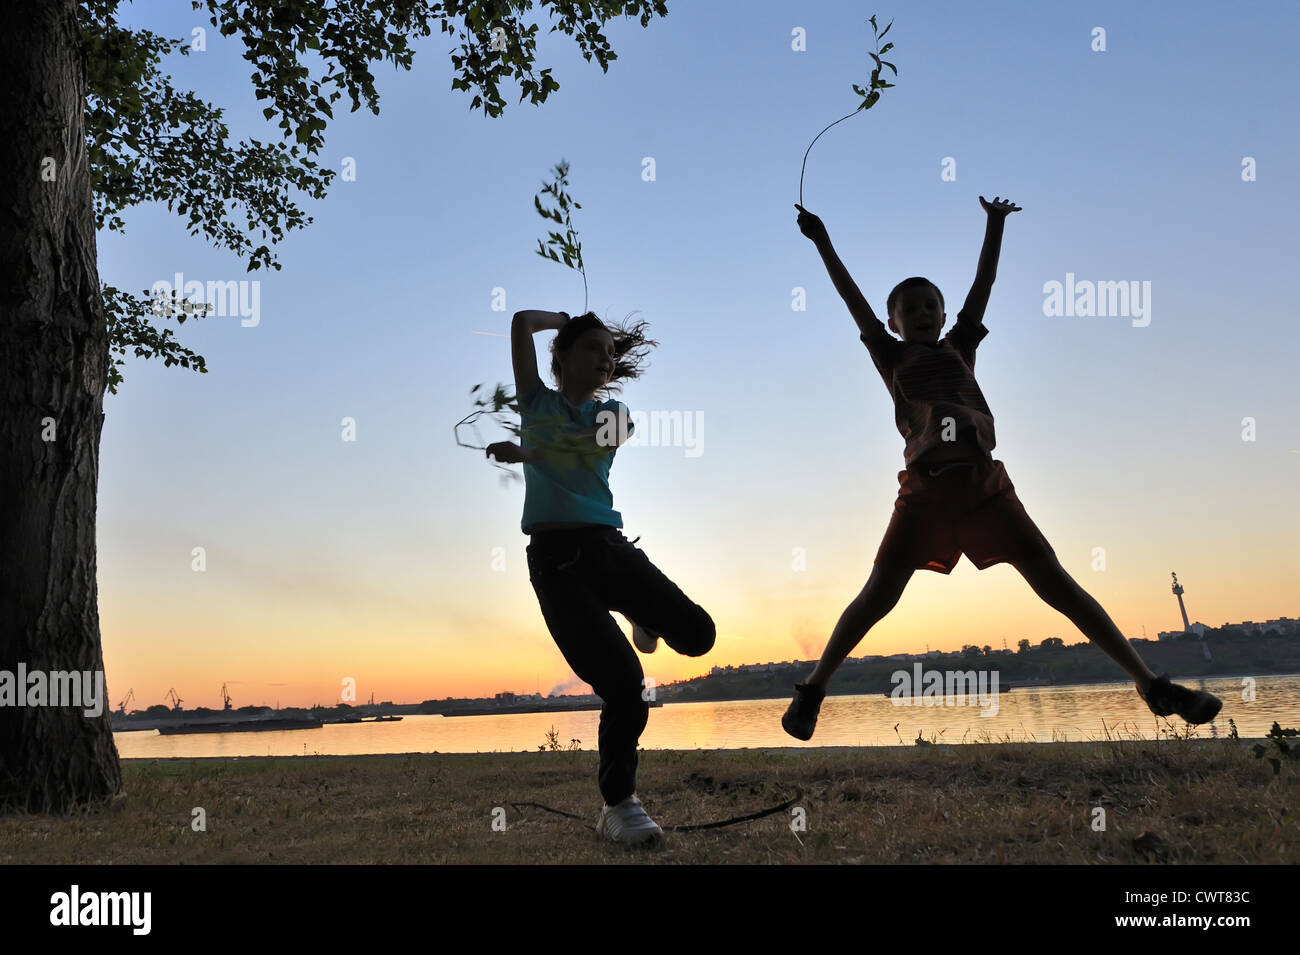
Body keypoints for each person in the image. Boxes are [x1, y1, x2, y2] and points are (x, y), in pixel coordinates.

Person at [782, 197, 1221, 740]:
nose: (921, 314)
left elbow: (982, 286)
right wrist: (822, 241)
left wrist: (994, 225)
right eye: (909, 309)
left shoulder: (961, 345)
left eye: (929, 307)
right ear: (893, 323)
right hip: (925, 494)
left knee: (1059, 586)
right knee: (877, 596)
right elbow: (850, 297)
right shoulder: (890, 355)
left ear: (942, 316)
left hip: (986, 489)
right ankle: (814, 689)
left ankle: (1151, 685)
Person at [487, 309, 715, 844]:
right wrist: (559, 319)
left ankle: (639, 613)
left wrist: (528, 451)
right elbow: (520, 322)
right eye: (594, 348)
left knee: (699, 636)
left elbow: (582, 446)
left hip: (607, 548)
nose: (606, 360)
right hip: (553, 561)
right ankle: (619, 805)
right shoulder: (535, 402)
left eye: (611, 354)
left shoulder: (615, 414)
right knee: (624, 685)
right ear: (561, 355)